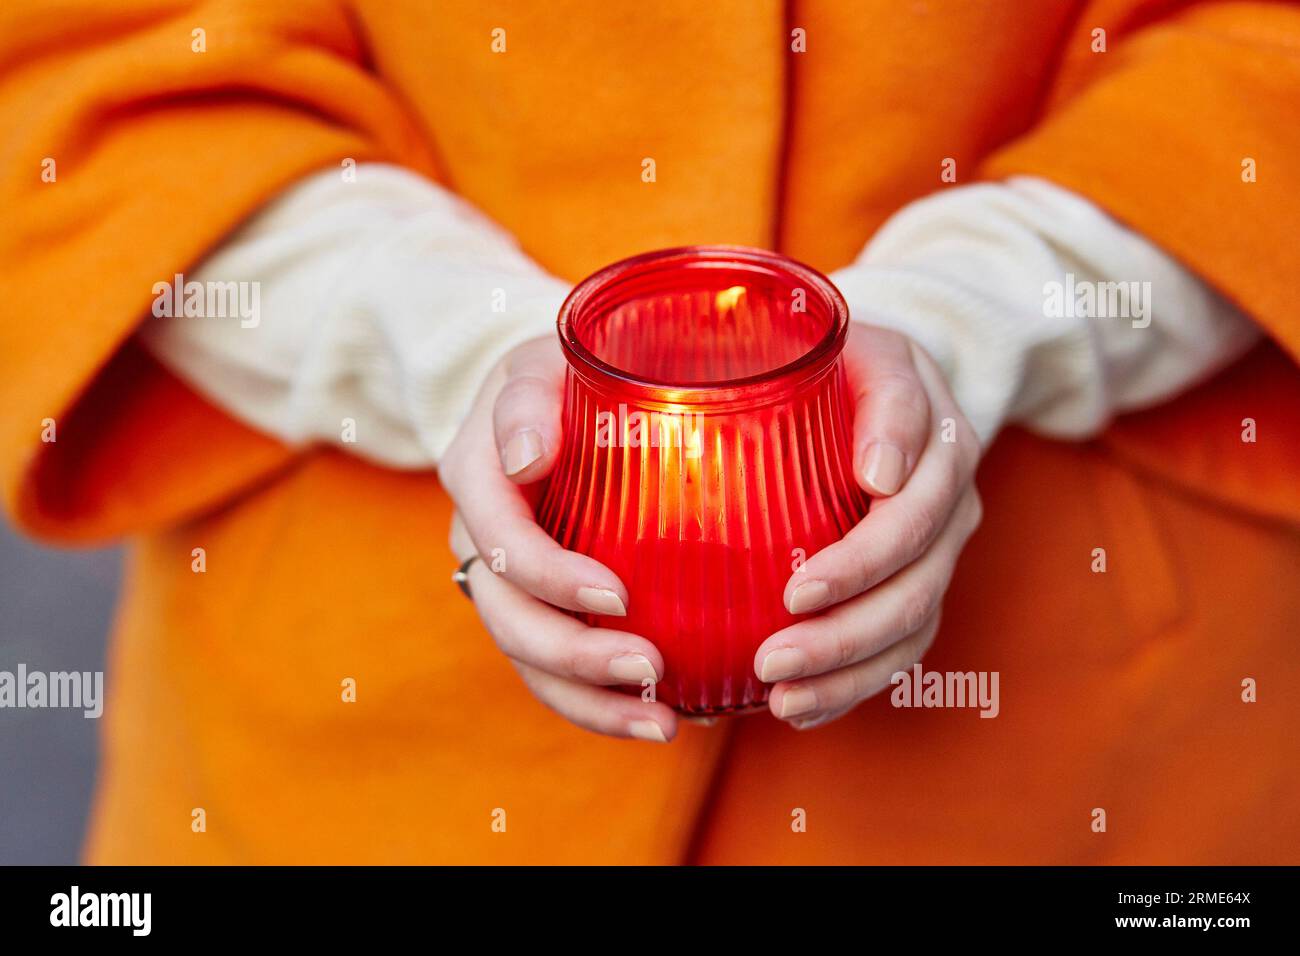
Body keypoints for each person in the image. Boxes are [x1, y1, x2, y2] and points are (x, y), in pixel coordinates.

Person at [2, 1, 1297, 864]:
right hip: (351, 757)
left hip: (1088, 768)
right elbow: (88, 64)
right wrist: (442, 341)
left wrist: (983, 315)